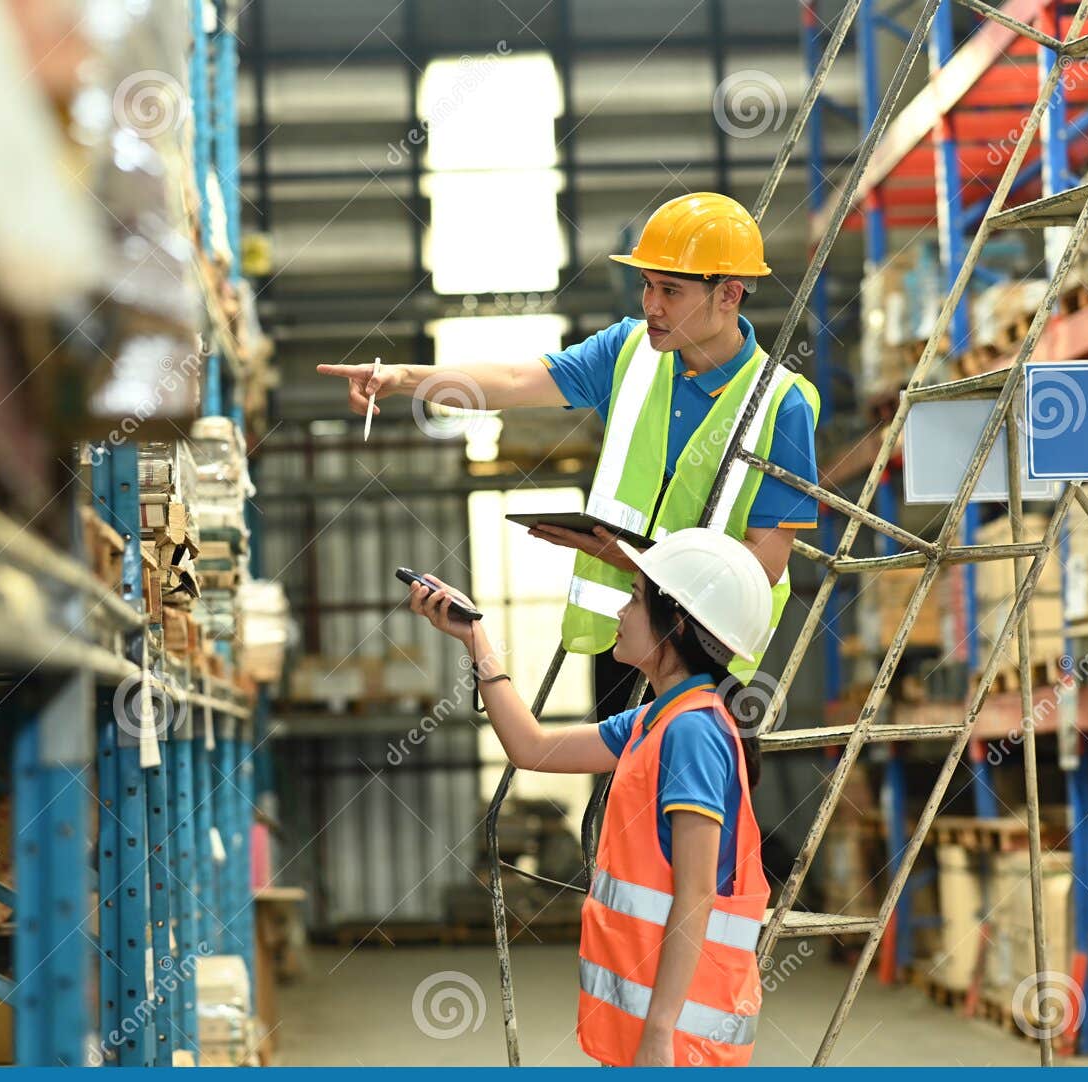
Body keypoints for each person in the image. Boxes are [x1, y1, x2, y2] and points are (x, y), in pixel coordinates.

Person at [320, 191, 820, 710]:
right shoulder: (628, 351)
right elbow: (515, 381)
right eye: (647, 285)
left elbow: (764, 567)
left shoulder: (782, 405)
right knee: (618, 764)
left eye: (670, 290)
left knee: (684, 763)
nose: (651, 305)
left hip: (707, 655)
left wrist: (634, 560)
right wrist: (401, 378)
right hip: (622, 637)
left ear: (729, 294)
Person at [406, 528, 773, 1067]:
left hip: (679, 1041)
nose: (621, 612)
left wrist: (659, 1034)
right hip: (648, 1025)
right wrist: (475, 638)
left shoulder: (692, 733)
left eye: (635, 599)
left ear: (676, 623)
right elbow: (532, 747)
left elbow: (695, 895)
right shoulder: (657, 721)